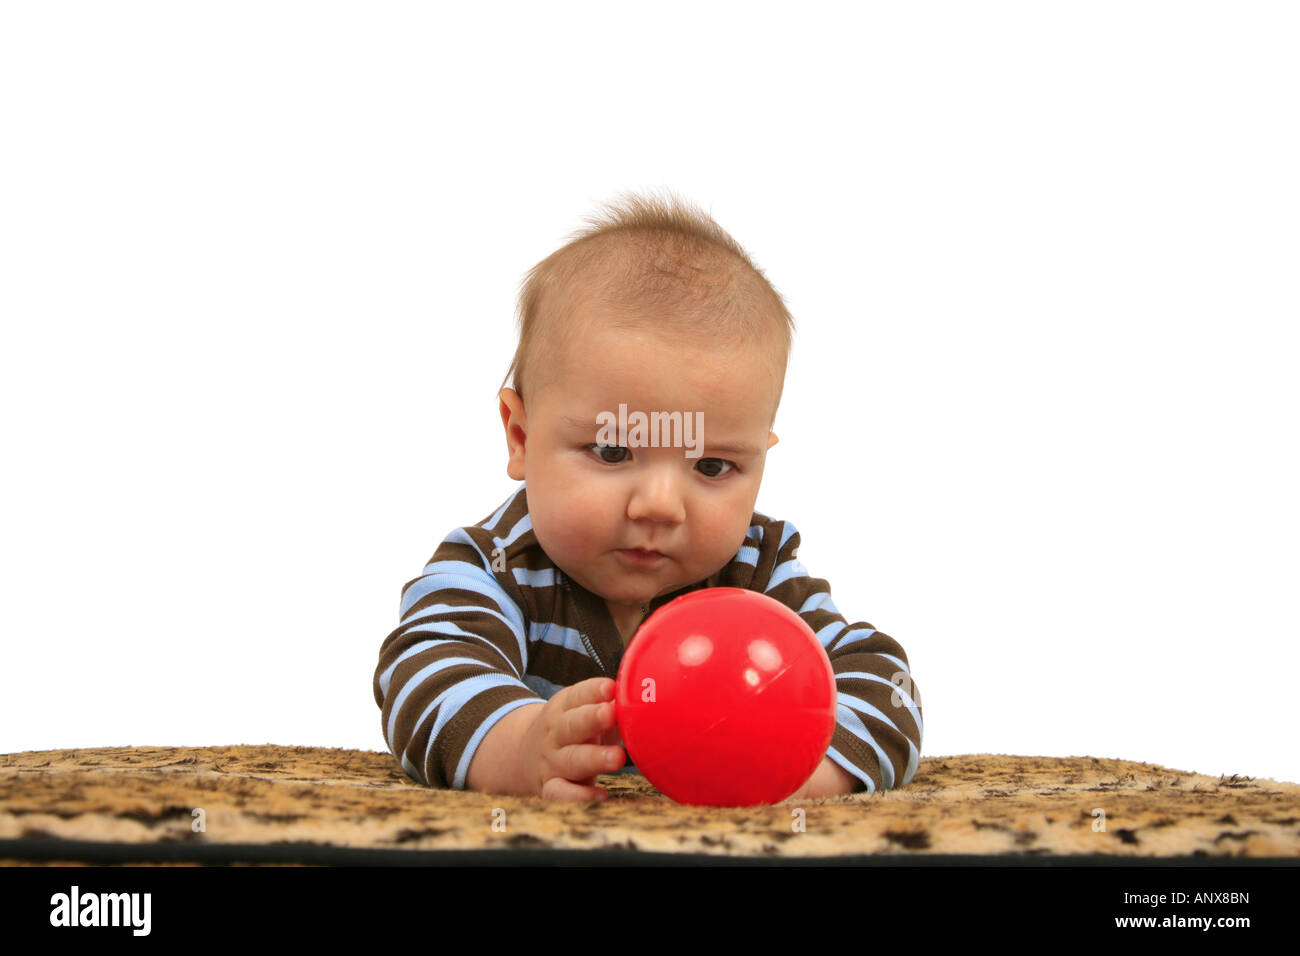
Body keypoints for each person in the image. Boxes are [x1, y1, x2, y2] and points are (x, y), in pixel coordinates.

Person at [374, 191, 922, 802]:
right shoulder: (494, 566)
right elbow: (423, 674)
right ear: (522, 435)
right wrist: (520, 747)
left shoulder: (758, 573)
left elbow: (884, 683)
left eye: (712, 465)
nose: (660, 506)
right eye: (612, 452)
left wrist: (807, 774)